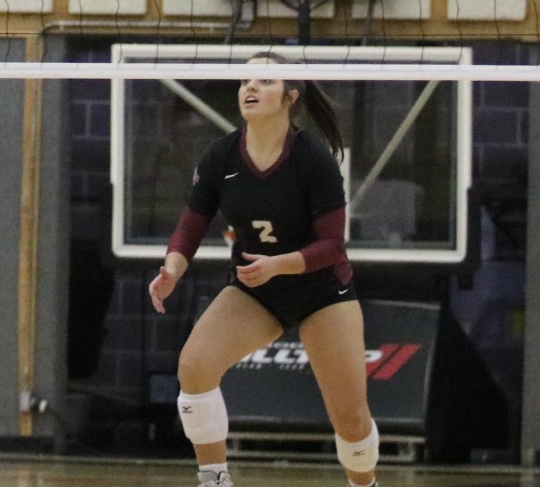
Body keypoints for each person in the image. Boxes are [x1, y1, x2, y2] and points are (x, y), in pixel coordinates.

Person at [149, 54, 377, 487]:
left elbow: (332, 246)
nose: (250, 87)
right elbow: (191, 223)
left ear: (290, 97)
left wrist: (280, 265)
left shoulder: (314, 161)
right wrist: (172, 269)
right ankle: (214, 478)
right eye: (246, 79)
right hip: (257, 289)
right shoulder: (221, 156)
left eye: (265, 80)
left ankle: (364, 484)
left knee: (350, 418)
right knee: (194, 367)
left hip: (321, 291)